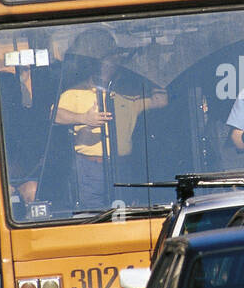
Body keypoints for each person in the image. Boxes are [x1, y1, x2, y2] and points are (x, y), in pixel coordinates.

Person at [52, 28, 169, 209]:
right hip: (90, 168)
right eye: (109, 59)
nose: (114, 63)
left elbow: (160, 100)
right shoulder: (76, 92)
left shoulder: (125, 95)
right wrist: (84, 118)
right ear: (96, 63)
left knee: (123, 215)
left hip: (122, 167)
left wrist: (150, 70)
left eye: (116, 59)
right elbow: (55, 115)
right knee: (93, 215)